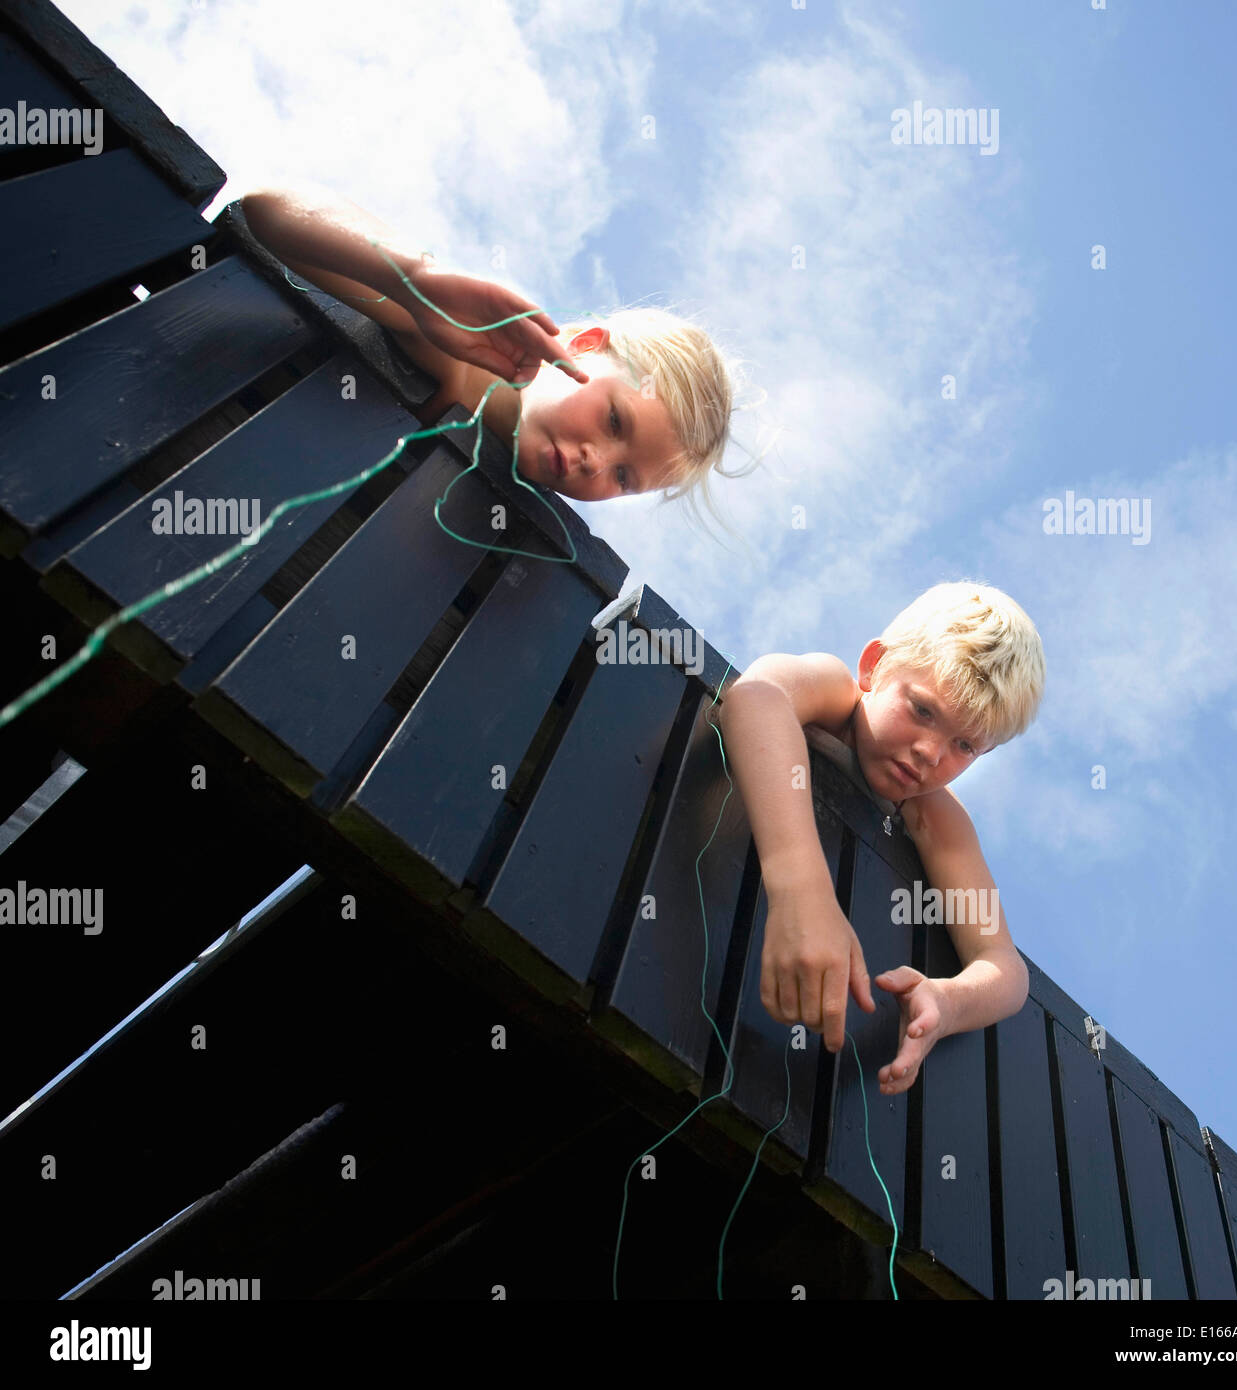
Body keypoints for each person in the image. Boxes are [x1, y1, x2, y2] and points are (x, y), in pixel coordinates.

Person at [716, 581, 1046, 1094]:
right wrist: (803, 891)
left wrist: (950, 1001)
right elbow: (756, 698)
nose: (931, 754)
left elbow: (1004, 966)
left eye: (964, 745)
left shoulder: (935, 814)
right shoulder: (835, 691)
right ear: (873, 667)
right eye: (922, 710)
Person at [237, 184, 750, 512]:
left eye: (624, 477)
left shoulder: (528, 538)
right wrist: (416, 279)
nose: (598, 463)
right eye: (616, 421)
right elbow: (268, 207)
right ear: (582, 344)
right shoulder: (459, 357)